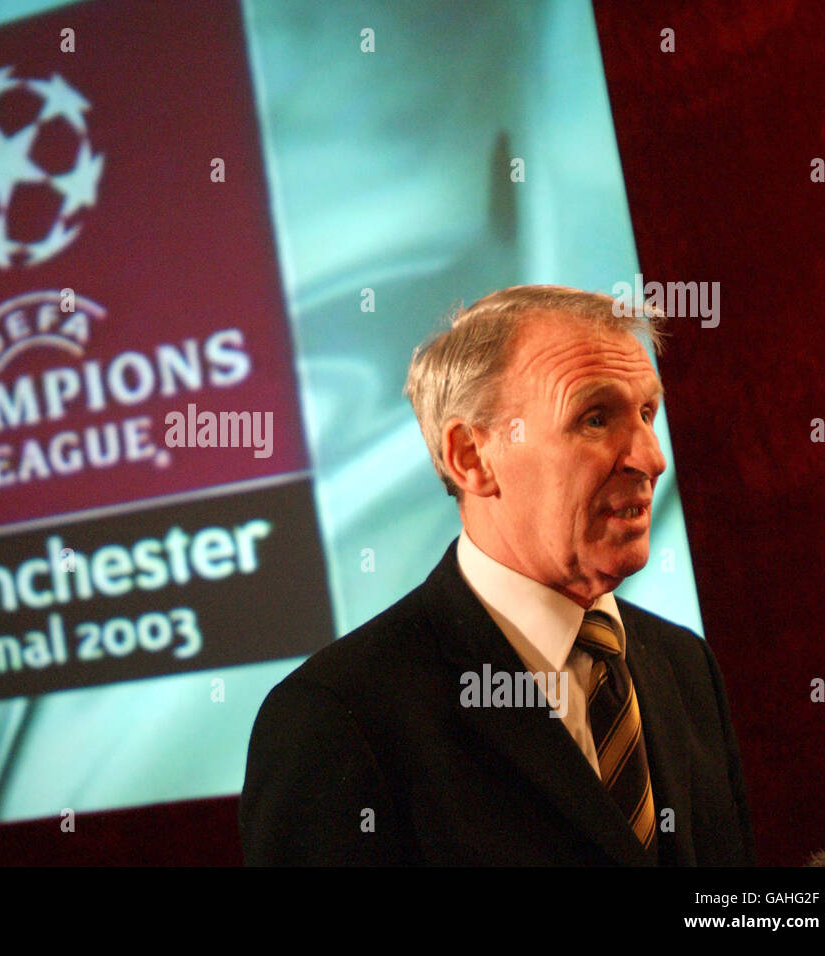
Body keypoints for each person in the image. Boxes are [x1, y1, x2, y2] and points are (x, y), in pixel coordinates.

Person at [239, 285, 756, 865]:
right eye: (594, 418)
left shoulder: (684, 664)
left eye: (646, 414)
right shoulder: (337, 719)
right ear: (471, 457)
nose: (651, 457)